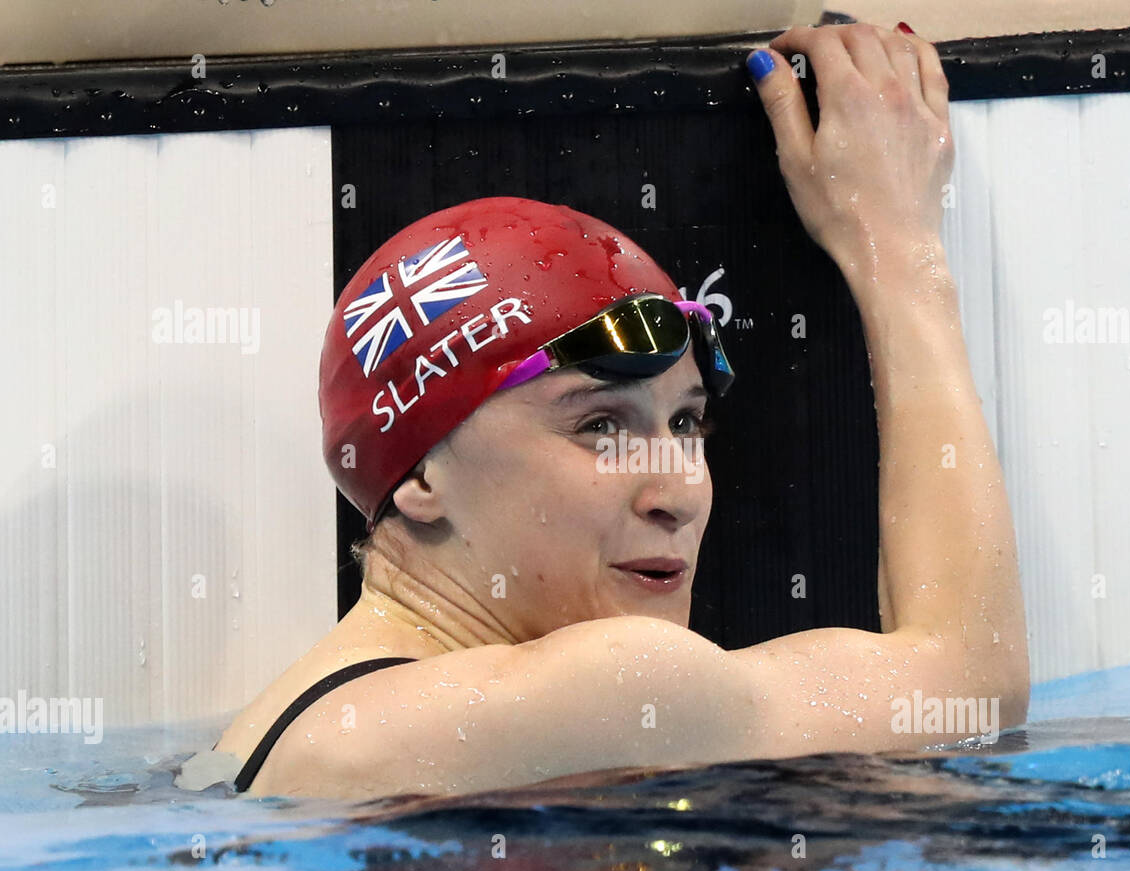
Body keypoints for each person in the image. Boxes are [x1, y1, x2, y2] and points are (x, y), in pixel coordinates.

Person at [215, 21, 1029, 800]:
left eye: (686, 424)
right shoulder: (609, 689)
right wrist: (895, 239)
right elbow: (969, 685)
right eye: (598, 426)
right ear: (422, 471)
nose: (674, 492)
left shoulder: (260, 739)